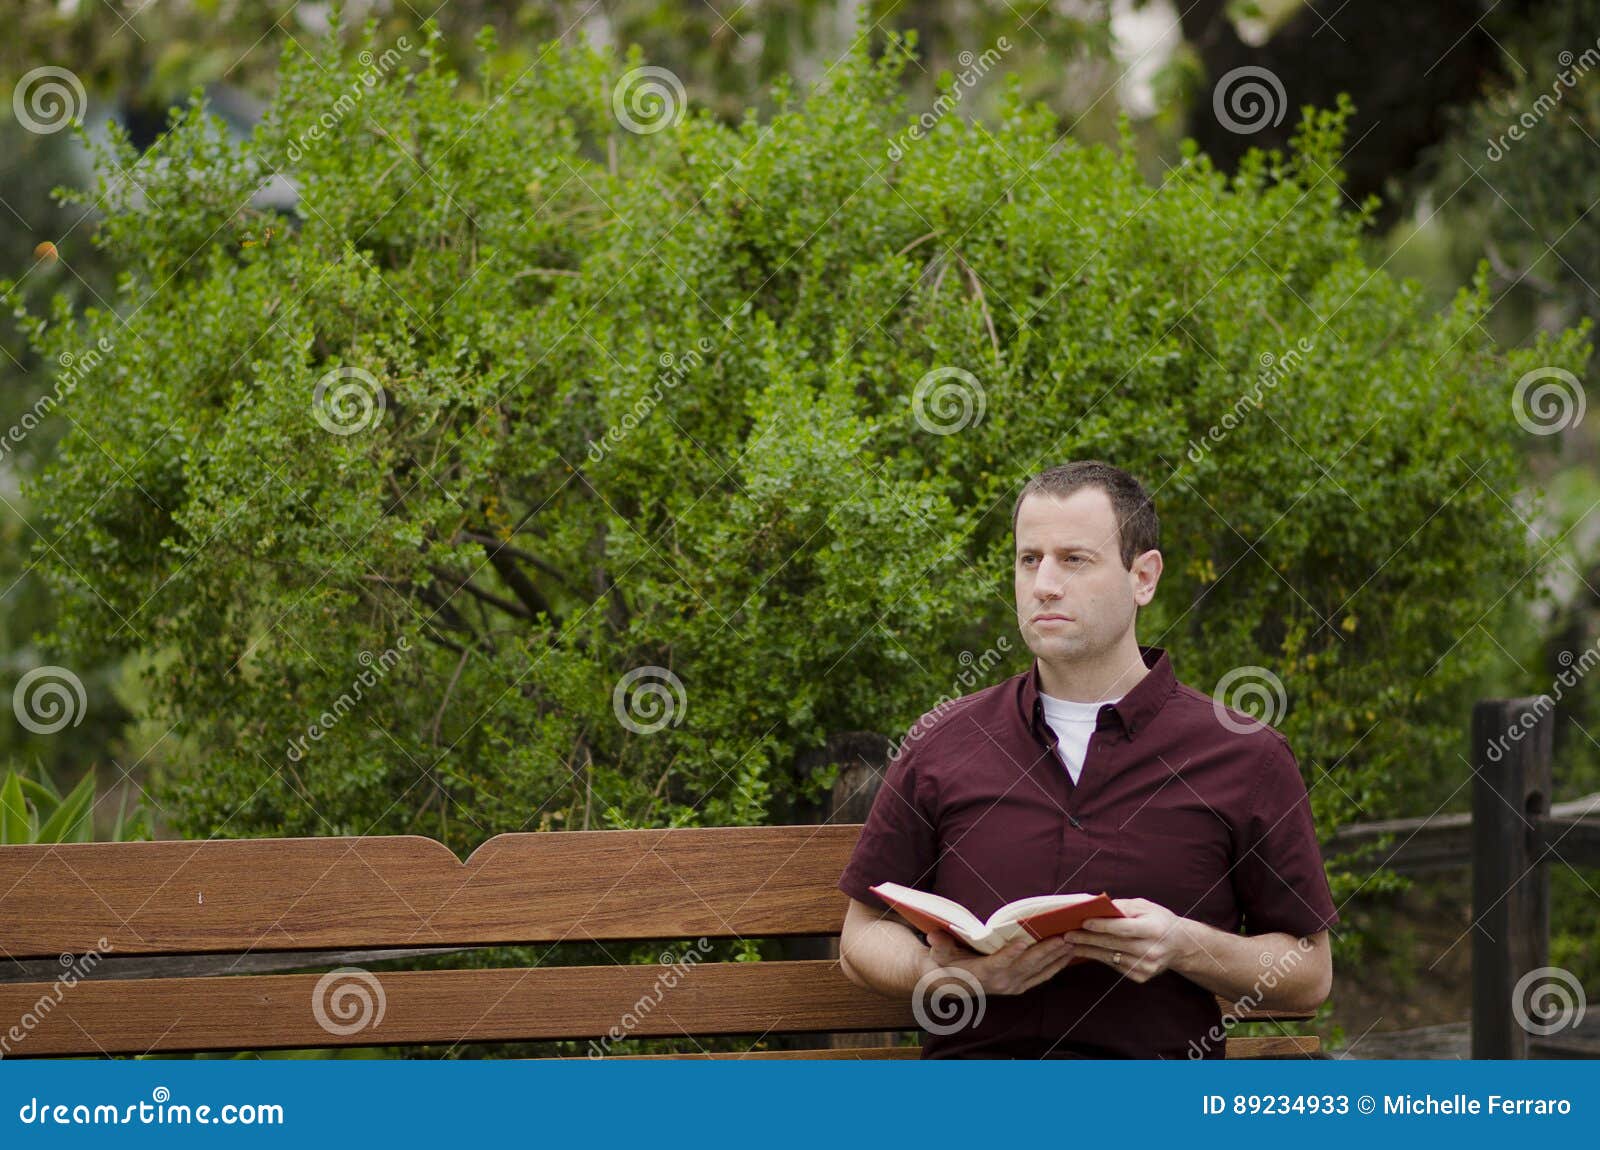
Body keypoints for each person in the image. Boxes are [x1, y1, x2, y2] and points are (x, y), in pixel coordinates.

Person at [836, 460, 1337, 1058]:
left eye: (1074, 559)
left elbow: (1310, 974)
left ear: (1143, 578)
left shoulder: (1243, 754)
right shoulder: (944, 740)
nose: (1044, 583)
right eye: (1029, 559)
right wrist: (945, 973)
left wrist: (1181, 945)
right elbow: (861, 937)